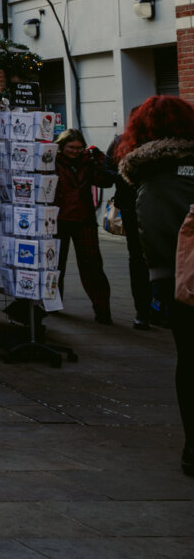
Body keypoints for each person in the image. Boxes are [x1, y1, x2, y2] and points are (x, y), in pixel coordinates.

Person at [115, 95, 194, 477]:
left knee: (190, 361)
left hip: (184, 285)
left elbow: (156, 236)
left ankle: (193, 448)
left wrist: (160, 287)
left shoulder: (152, 176)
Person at [54, 129, 116, 324]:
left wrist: (99, 158)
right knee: (55, 266)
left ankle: (102, 309)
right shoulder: (52, 161)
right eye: (71, 147)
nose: (75, 151)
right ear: (62, 146)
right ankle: (53, 304)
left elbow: (105, 181)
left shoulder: (88, 162)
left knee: (92, 267)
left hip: (83, 218)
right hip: (57, 218)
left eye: (79, 148)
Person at [108, 133, 155, 330]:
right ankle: (144, 311)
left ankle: (149, 311)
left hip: (146, 206)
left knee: (141, 259)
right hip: (132, 206)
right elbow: (106, 171)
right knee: (139, 258)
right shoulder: (122, 142)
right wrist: (122, 177)